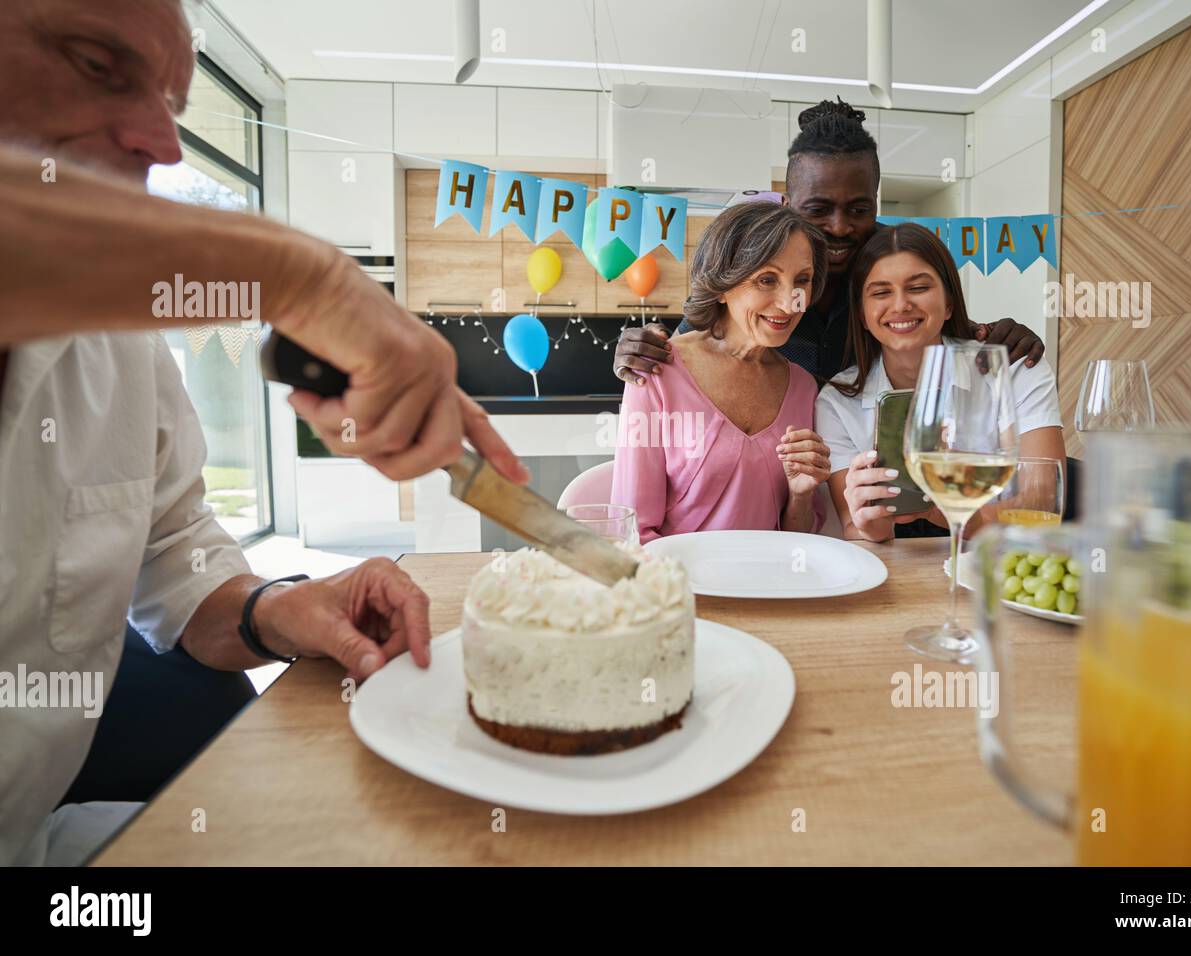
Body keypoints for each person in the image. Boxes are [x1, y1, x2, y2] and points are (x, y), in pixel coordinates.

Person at [0, 0, 526, 865]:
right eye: (97, 64)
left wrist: (276, 609)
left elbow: (172, 555)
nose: (165, 146)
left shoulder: (127, 358)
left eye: (173, 107)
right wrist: (304, 280)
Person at [611, 98, 1046, 388]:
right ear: (786, 202)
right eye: (817, 209)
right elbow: (692, 343)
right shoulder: (753, 266)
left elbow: (940, 332)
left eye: (858, 209)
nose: (839, 228)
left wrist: (1000, 338)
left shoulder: (890, 261)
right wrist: (641, 350)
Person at [816, 223, 1066, 542]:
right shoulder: (836, 401)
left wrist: (942, 507)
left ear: (949, 303)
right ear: (862, 314)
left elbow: (1040, 505)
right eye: (881, 292)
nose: (901, 305)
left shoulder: (1016, 368)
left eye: (918, 288)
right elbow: (855, 528)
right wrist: (869, 522)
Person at [611, 202, 830, 541]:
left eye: (802, 280)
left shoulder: (803, 387)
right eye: (766, 280)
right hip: (681, 586)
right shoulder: (656, 372)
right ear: (722, 286)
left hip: (771, 587)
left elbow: (797, 540)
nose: (790, 303)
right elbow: (631, 532)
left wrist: (801, 495)